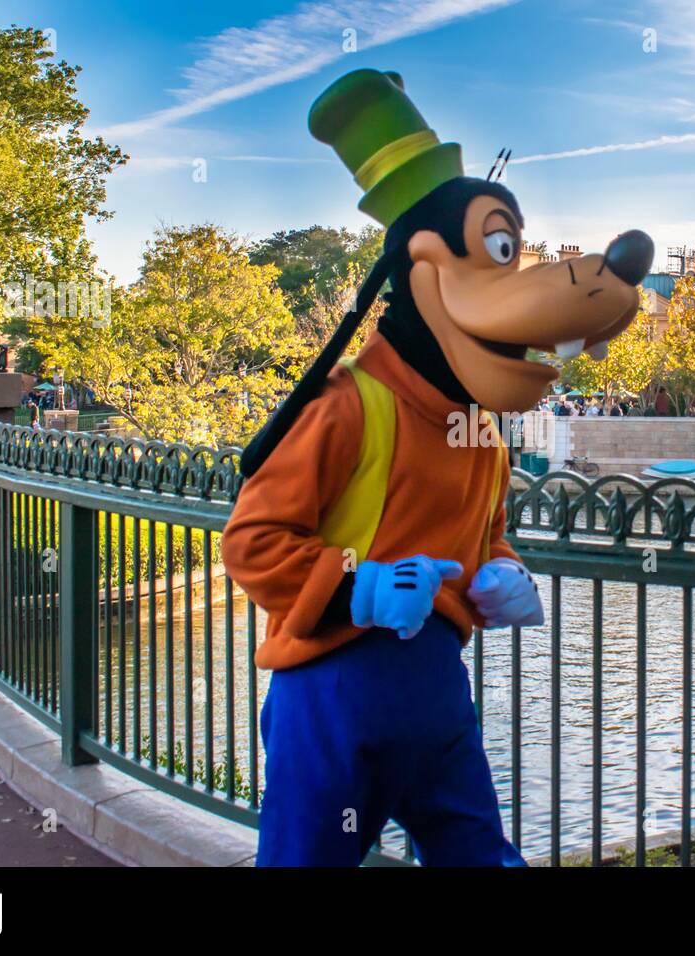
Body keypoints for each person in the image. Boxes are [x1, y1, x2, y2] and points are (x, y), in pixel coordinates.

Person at [223, 68, 652, 868]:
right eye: (493, 246)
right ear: (421, 266)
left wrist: (501, 572)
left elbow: (484, 534)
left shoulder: (478, 426)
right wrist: (360, 586)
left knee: (479, 857)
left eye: (509, 249)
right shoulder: (350, 406)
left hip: (434, 697)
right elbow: (251, 542)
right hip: (332, 694)